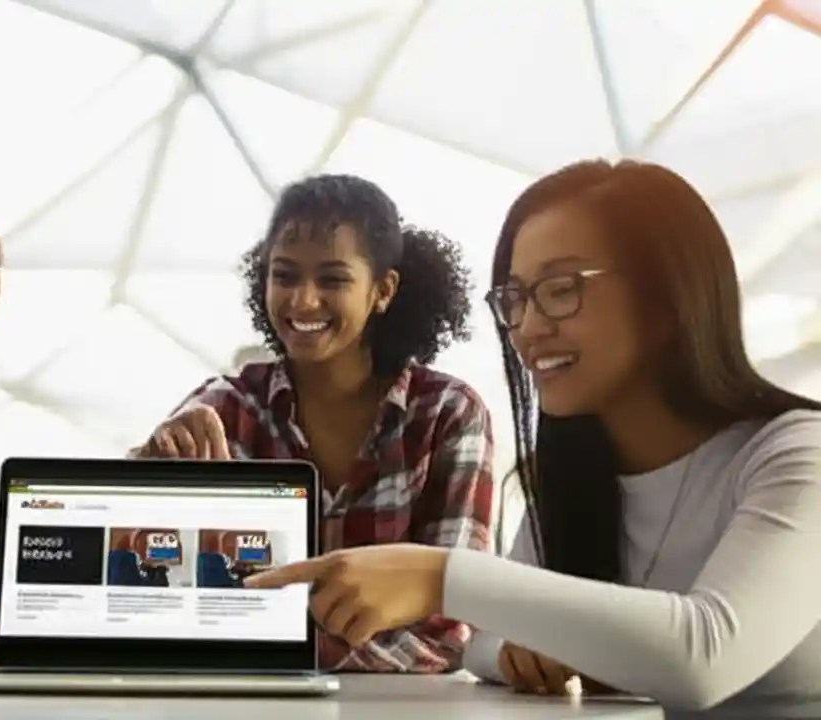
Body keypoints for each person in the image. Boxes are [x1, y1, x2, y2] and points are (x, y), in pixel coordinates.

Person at [244, 160, 821, 717]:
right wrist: (526, 656)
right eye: (515, 298)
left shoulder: (795, 454)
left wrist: (435, 577)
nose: (528, 327)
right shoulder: (573, 476)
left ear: (665, 300)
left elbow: (705, 657)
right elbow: (486, 642)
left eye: (562, 289)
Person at [136, 174, 494, 673]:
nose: (303, 301)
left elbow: (453, 617)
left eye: (332, 279)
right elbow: (152, 585)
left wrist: (289, 656)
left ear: (382, 290)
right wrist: (154, 464)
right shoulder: (226, 408)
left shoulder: (446, 415)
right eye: (284, 276)